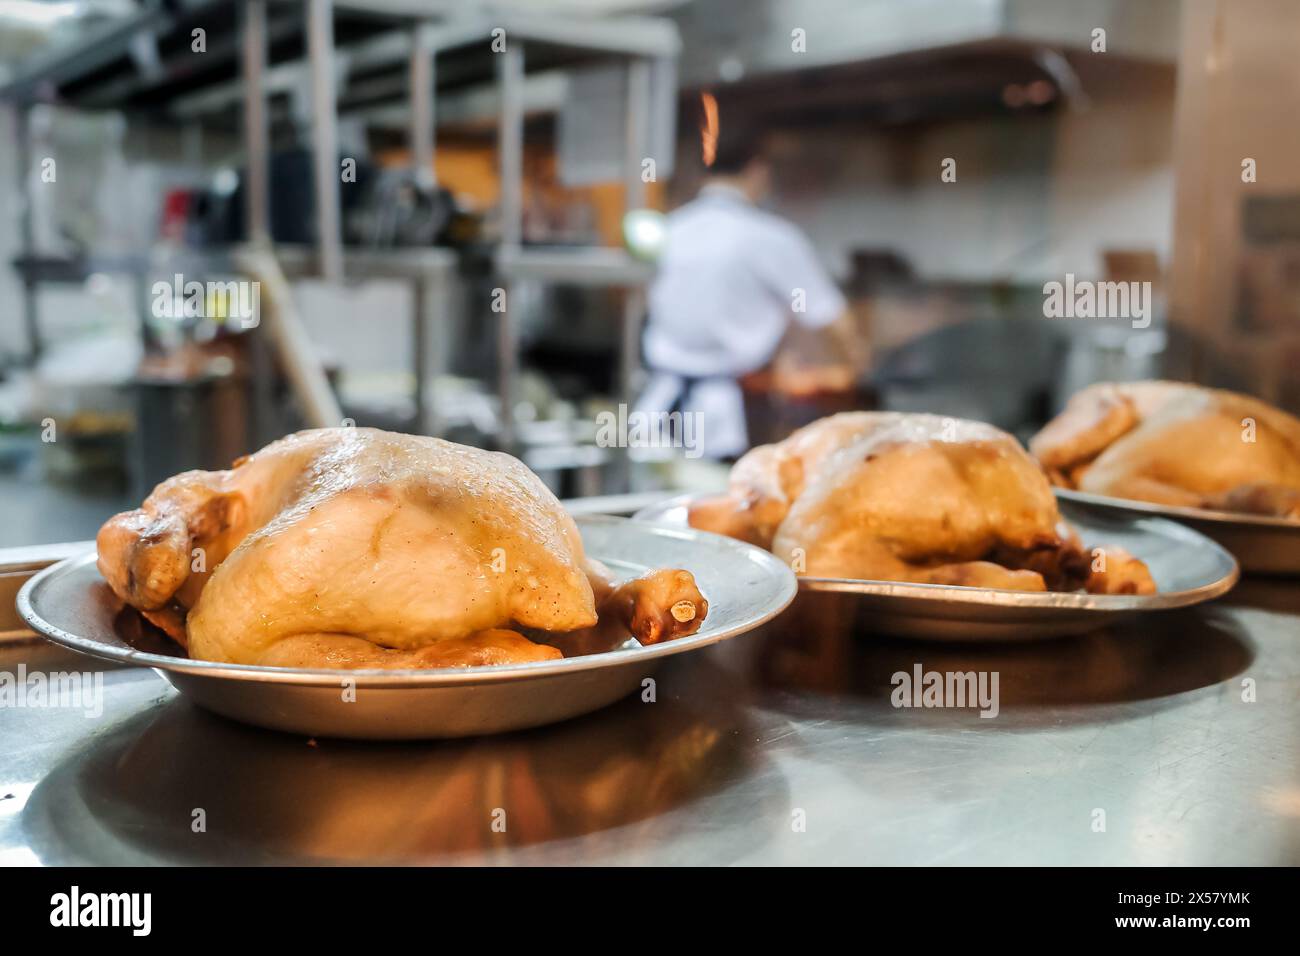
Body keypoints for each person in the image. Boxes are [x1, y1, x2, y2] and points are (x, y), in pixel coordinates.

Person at [636, 122, 860, 459]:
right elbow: (832, 319)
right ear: (757, 169)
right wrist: (857, 370)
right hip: (731, 418)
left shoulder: (668, 230)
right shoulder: (771, 237)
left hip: (658, 411)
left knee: (657, 505)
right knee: (731, 502)